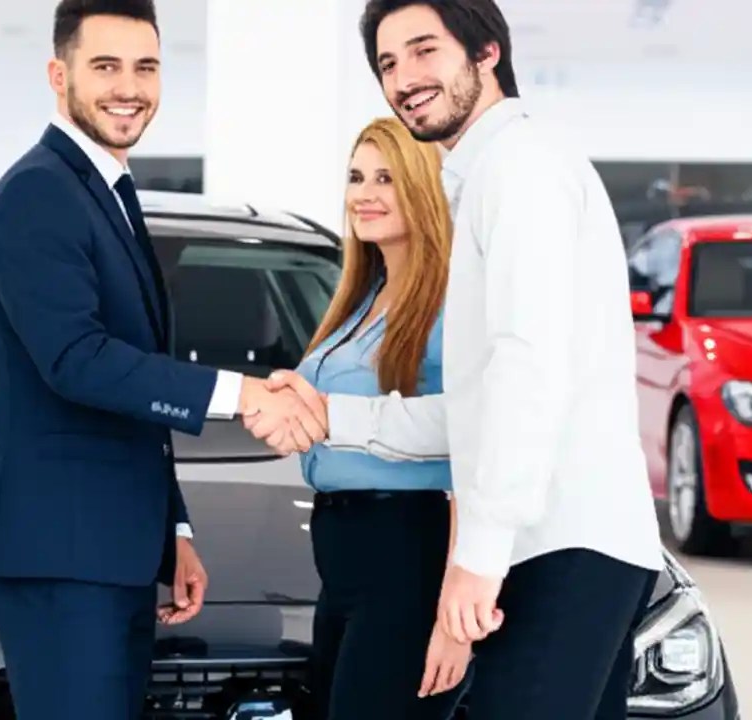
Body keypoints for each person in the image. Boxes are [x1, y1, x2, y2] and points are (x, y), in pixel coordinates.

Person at [259, 1, 666, 718]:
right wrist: (334, 415)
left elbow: (524, 369)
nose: (404, 78)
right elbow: (476, 411)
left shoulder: (520, 169)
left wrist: (477, 560)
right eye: (388, 63)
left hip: (561, 542)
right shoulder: (492, 175)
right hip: (569, 542)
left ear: (486, 52)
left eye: (424, 51)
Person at [0, 1, 325, 718]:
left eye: (145, 67)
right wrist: (244, 394)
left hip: (108, 550)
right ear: (57, 74)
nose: (129, 87)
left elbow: (130, 391)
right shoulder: (40, 191)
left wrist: (174, 531)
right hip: (62, 554)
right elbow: (80, 361)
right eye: (105, 66)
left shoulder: (104, 191)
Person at [286, 116, 470, 719]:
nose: (363, 193)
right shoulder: (359, 300)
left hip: (406, 551)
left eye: (385, 178)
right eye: (356, 176)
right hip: (340, 554)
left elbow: (474, 434)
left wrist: (453, 620)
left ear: (422, 186)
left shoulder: (451, 302)